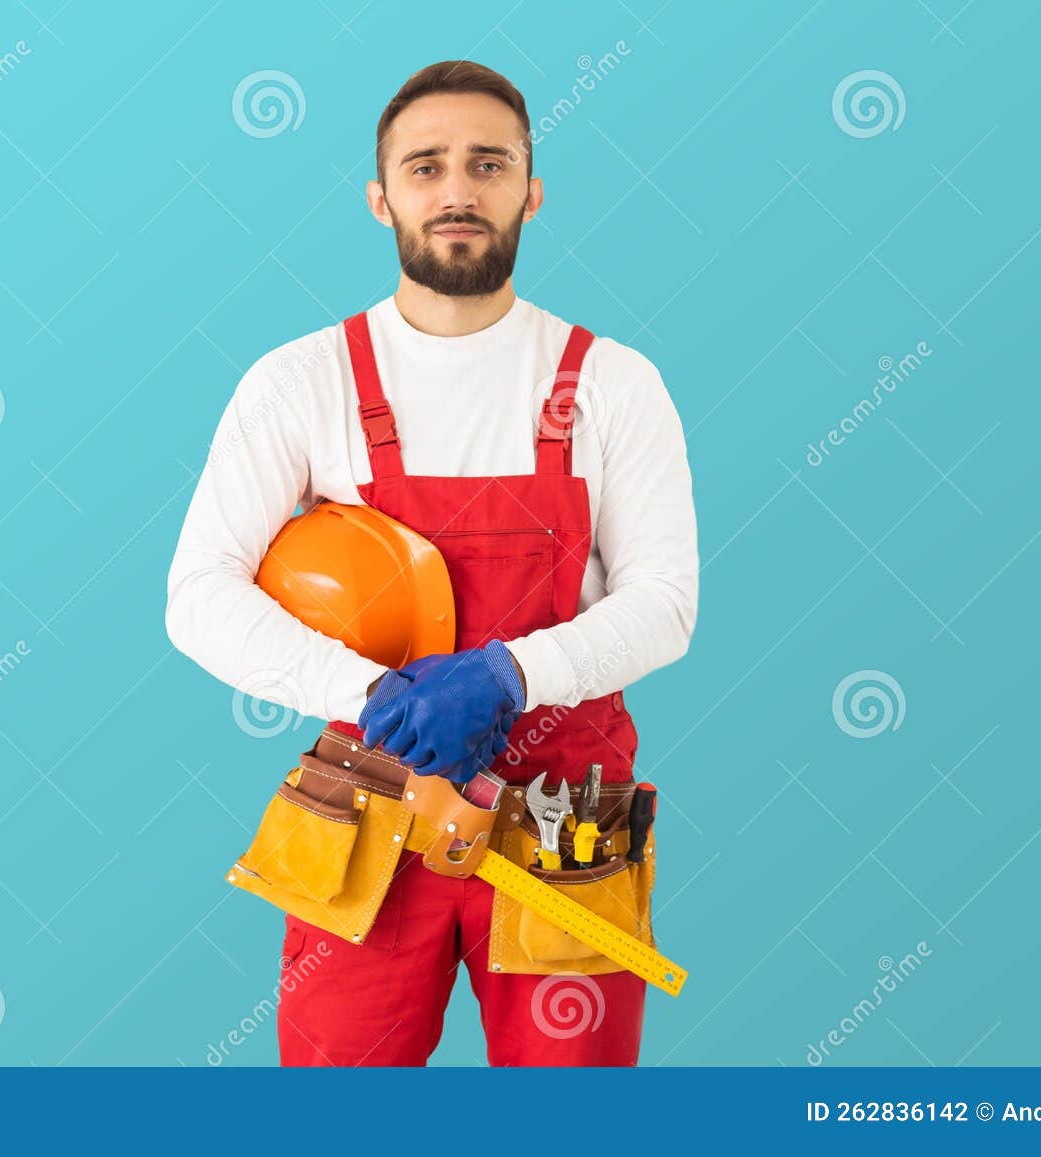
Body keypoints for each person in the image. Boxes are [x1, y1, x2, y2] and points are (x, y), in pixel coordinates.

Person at [166, 59, 699, 1066]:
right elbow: (197, 597)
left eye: (487, 163)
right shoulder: (300, 381)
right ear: (382, 199)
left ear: (529, 192)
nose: (457, 188)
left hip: (563, 825)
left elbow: (665, 604)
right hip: (369, 817)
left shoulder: (614, 385)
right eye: (425, 166)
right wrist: (376, 692)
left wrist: (509, 675)